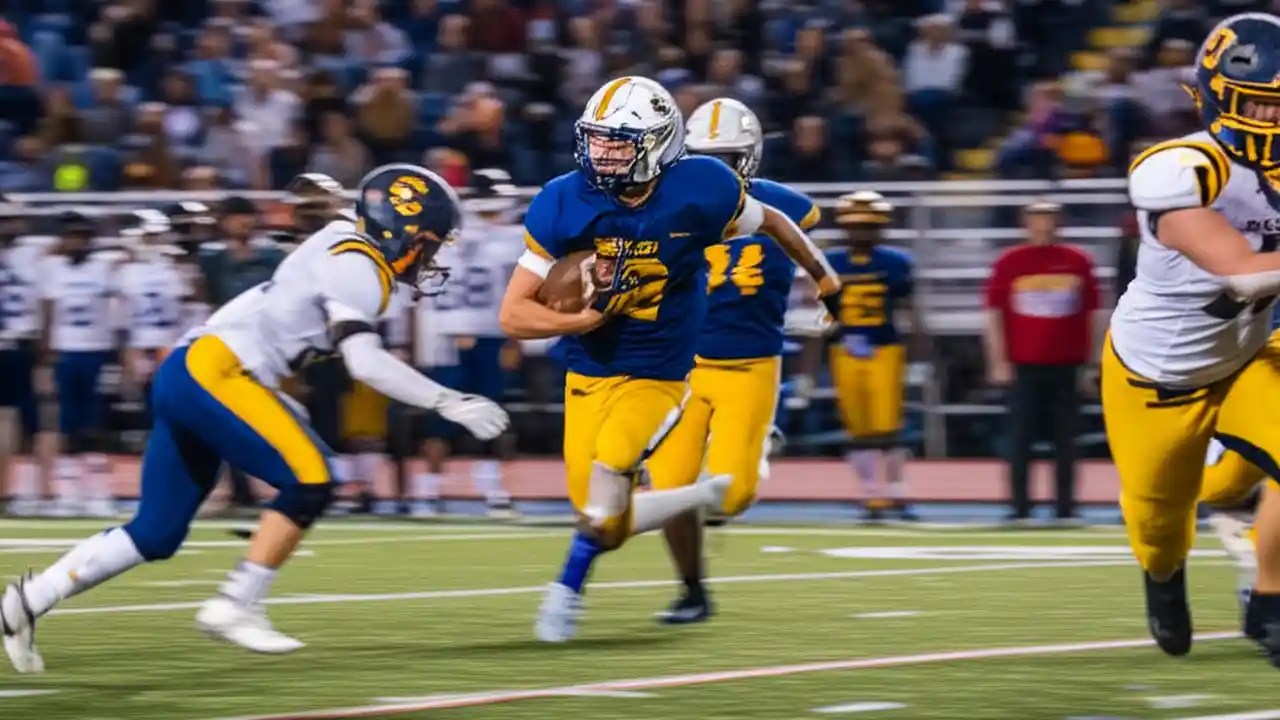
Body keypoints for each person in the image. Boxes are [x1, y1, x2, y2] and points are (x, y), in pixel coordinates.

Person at [0, 166, 508, 671]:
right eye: (430, 242)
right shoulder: (361, 270)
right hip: (216, 372)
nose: (433, 255)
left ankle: (28, 600)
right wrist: (448, 401)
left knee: (155, 533)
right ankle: (236, 603)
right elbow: (365, 362)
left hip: (191, 370)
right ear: (401, 231)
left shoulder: (340, 239)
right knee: (312, 478)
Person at [497, 76, 843, 643]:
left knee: (615, 467)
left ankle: (565, 592)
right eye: (596, 139)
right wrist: (581, 319)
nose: (600, 153)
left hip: (658, 372)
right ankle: (693, 499)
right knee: (603, 523)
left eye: (617, 142)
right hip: (587, 375)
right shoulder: (563, 198)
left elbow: (776, 221)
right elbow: (513, 315)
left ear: (657, 143)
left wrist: (827, 283)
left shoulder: (702, 187)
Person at [1101, 13, 1280, 665]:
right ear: (1211, 95)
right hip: (1159, 378)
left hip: (1250, 357)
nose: (1270, 119)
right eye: (1257, 102)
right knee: (1159, 527)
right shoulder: (1178, 166)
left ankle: (1269, 599)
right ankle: (1163, 579)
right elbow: (1240, 272)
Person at [642, 98, 820, 624]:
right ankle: (692, 590)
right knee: (669, 491)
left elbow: (810, 212)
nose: (716, 169)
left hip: (749, 364)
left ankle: (759, 444)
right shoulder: (673, 204)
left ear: (750, 158)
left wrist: (751, 205)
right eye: (706, 158)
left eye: (728, 159)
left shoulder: (773, 202)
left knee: (731, 497)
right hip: (683, 369)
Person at [413, 169, 523, 518]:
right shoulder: (508, 239)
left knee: (485, 414)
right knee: (448, 414)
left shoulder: (444, 238)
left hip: (469, 333)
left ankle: (484, 486)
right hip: (462, 333)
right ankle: (434, 489)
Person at [984, 202, 1099, 523]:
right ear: (1025, 223)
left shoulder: (1078, 261)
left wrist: (1092, 364)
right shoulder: (1010, 262)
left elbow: (1094, 314)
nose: (1043, 225)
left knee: (1067, 440)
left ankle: (1066, 506)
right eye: (1037, 219)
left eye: (1049, 219)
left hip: (1067, 364)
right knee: (1020, 439)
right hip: (1024, 364)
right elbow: (993, 314)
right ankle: (1019, 506)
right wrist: (998, 360)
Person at [819, 191, 923, 522]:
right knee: (858, 427)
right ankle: (869, 493)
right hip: (844, 350)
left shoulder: (896, 263)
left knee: (888, 426)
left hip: (885, 349)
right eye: (855, 225)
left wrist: (920, 357)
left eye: (868, 225)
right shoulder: (830, 262)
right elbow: (820, 315)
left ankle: (896, 491)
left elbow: (911, 311)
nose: (861, 231)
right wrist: (810, 367)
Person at [40, 211, 120, 518]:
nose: (77, 243)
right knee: (66, 423)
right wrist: (45, 355)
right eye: (72, 237)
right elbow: (47, 310)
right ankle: (68, 494)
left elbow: (116, 309)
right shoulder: (52, 268)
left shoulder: (103, 269)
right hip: (65, 350)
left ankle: (98, 492)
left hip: (95, 350)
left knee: (93, 422)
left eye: (82, 237)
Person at [0, 201, 44, 516]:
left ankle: (4, 491)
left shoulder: (33, 256)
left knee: (9, 421)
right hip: (14, 343)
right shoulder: (33, 256)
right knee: (8, 421)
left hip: (16, 344)